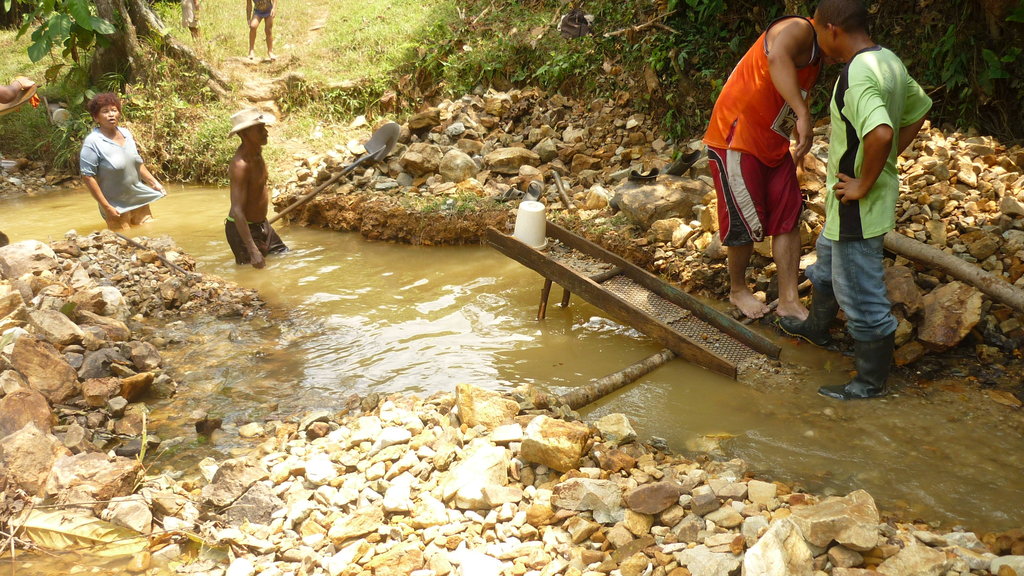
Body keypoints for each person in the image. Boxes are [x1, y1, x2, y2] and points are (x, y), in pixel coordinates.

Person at [779, 0, 932, 400]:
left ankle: (868, 384)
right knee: (826, 265)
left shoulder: (858, 73)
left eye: (817, 32)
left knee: (862, 296)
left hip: (856, 207)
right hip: (848, 201)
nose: (818, 42)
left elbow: (881, 133)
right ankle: (816, 328)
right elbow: (919, 108)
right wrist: (882, 164)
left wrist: (864, 181)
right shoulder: (887, 60)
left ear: (832, 29)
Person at [703, 15, 824, 322]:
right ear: (833, 30)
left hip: (774, 143)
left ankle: (789, 299)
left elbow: (794, 93)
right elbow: (777, 57)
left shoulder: (819, 55)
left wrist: (798, 132)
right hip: (736, 139)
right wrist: (803, 115)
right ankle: (738, 289)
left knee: (788, 216)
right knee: (743, 221)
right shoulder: (800, 29)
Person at [79, 92, 166, 231]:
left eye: (114, 110)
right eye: (105, 111)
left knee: (150, 233)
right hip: (115, 205)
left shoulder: (126, 134)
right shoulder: (93, 142)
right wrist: (107, 207)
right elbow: (88, 177)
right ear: (96, 117)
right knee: (124, 238)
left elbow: (136, 162)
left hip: (138, 197)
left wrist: (153, 182)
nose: (111, 115)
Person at [226, 108, 288, 268]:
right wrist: (252, 249)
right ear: (244, 134)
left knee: (286, 257)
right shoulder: (240, 165)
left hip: (262, 225)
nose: (266, 132)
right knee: (251, 274)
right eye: (259, 129)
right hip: (243, 230)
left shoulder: (257, 153)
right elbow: (237, 210)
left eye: (264, 127)